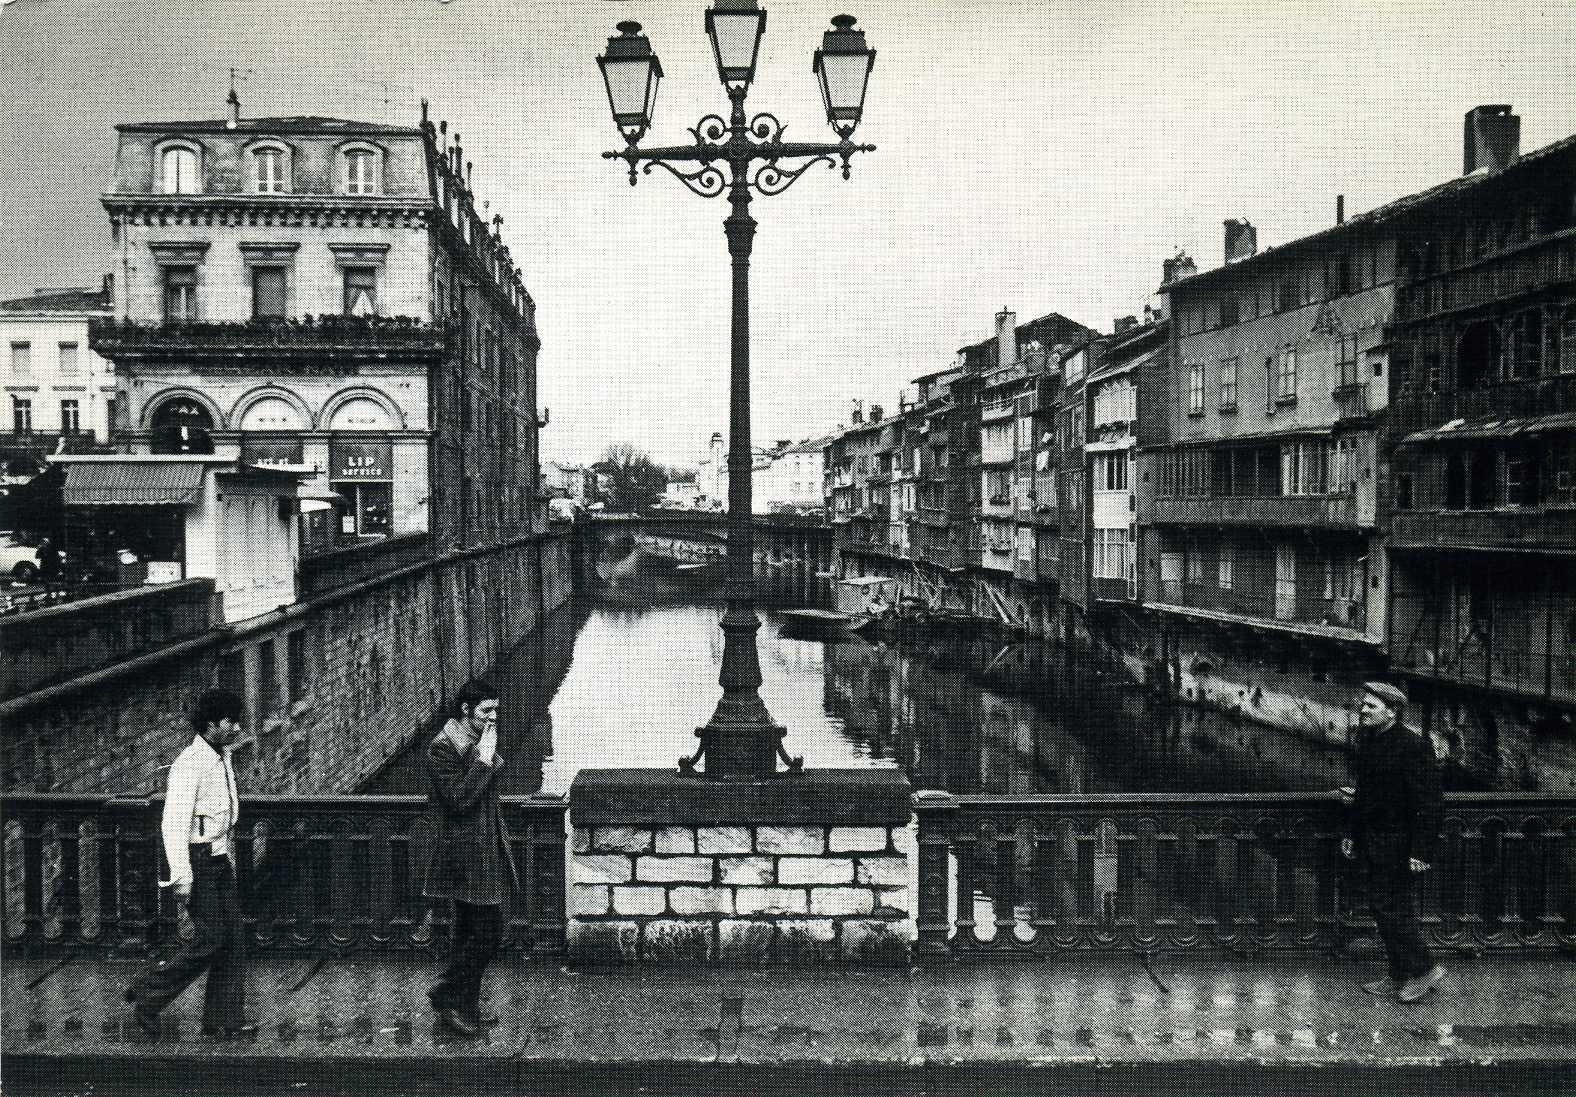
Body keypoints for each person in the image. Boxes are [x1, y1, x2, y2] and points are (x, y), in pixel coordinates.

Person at [125, 689, 254, 1039]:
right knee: (211, 938)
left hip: (218, 860)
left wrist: (226, 857)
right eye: (230, 721)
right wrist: (182, 877)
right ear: (211, 724)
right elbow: (174, 823)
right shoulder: (189, 763)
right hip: (199, 862)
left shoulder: (221, 756)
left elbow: (220, 815)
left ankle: (222, 1019)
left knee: (233, 940)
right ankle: (149, 994)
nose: (237, 727)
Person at [423, 678, 517, 1038]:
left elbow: (489, 782)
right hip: (462, 855)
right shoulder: (442, 748)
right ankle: (447, 993)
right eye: (486, 710)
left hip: (484, 848)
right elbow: (459, 800)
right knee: (490, 931)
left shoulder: (478, 740)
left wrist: (485, 754)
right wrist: (483, 759)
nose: (493, 717)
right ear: (465, 709)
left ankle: (465, 1004)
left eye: (496, 710)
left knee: (468, 931)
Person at [1342, 681, 1445, 1003]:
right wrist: (1352, 833)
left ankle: (1425, 968)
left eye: (1371, 706)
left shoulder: (1413, 746)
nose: (1363, 710)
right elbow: (1365, 794)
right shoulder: (1371, 740)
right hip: (1375, 839)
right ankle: (1399, 973)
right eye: (1363, 704)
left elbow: (1430, 802)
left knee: (1388, 907)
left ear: (1392, 711)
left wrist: (1421, 851)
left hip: (1399, 843)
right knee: (1386, 906)